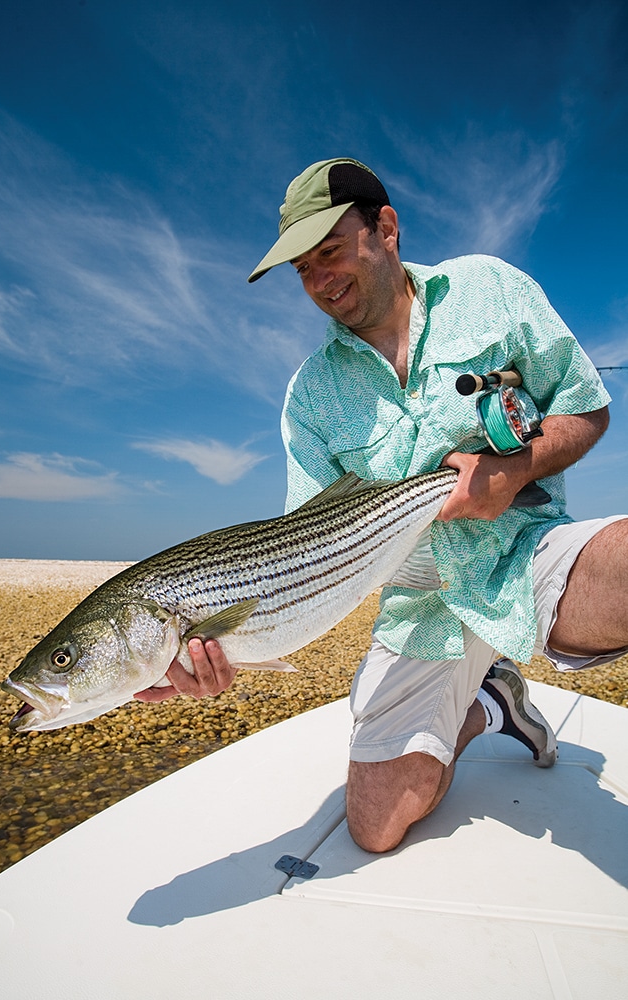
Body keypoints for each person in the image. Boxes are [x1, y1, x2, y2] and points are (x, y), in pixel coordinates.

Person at [136, 158, 628, 853]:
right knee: (373, 827)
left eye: (329, 252)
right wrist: (225, 651)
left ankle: (486, 677)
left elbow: (585, 408)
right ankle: (489, 702)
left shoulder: (487, 287)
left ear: (385, 227)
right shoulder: (310, 394)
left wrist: (514, 469)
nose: (319, 281)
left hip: (523, 555)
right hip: (417, 608)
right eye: (302, 270)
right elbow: (302, 555)